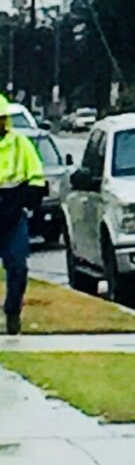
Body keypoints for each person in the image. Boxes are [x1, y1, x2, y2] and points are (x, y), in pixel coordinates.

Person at [0, 94, 45, 335]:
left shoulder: (20, 144)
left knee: (18, 267)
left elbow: (36, 176)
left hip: (13, 214)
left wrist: (30, 203)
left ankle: (12, 312)